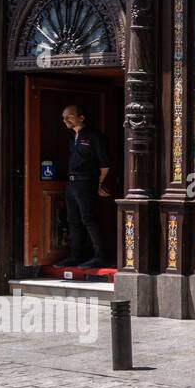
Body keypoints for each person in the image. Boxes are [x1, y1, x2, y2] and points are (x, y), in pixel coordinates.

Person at [61, 104, 112, 269]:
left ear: (81, 117)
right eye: (64, 117)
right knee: (73, 220)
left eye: (69, 116)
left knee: (88, 219)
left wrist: (100, 183)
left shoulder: (94, 136)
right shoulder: (71, 138)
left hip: (86, 182)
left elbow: (105, 164)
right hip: (71, 183)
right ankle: (76, 255)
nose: (65, 120)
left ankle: (100, 256)